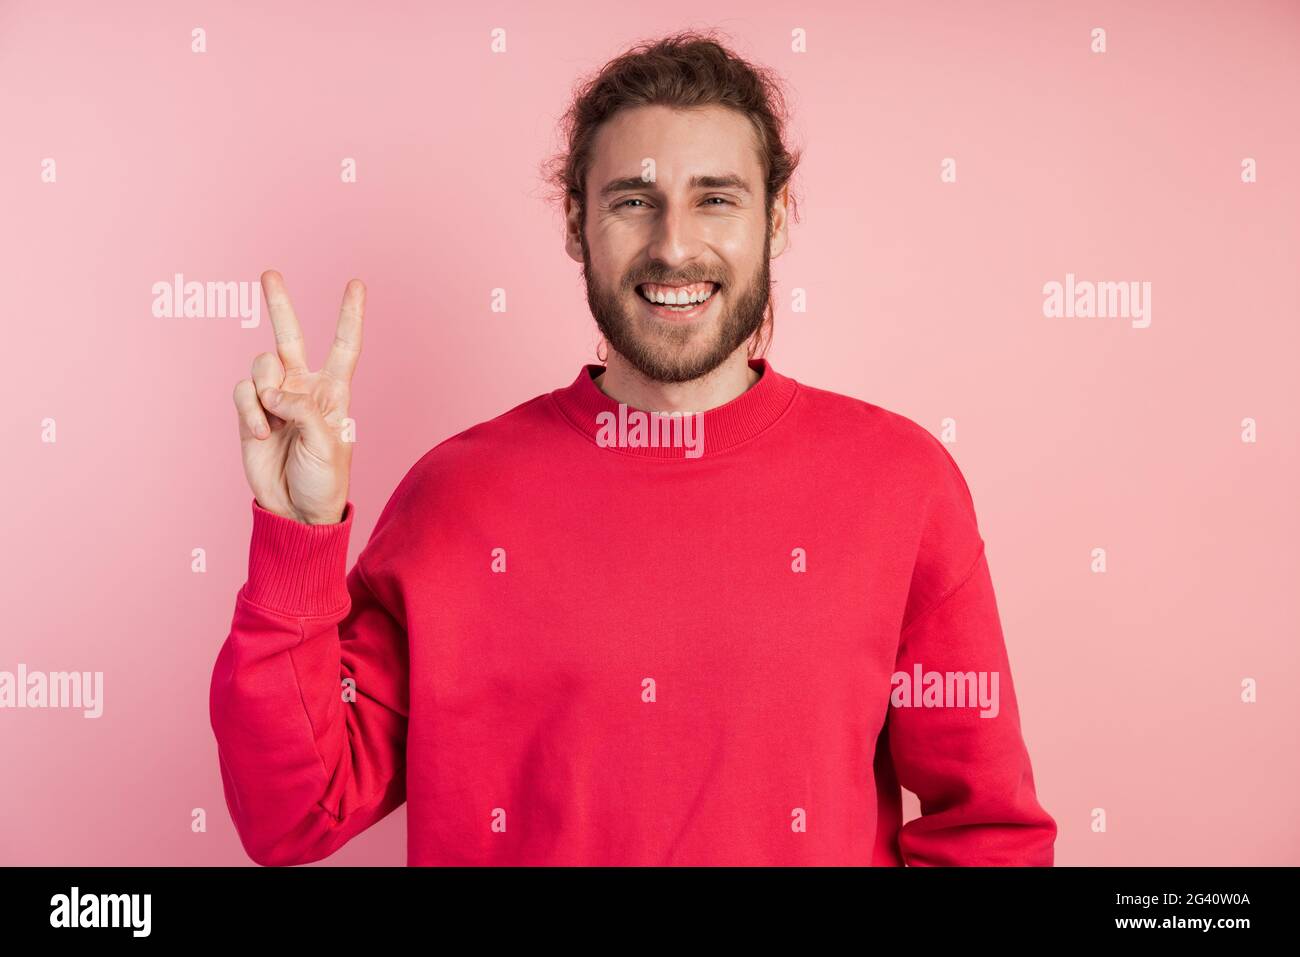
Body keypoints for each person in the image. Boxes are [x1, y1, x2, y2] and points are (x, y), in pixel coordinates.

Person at [211, 30, 1056, 866]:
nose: (675, 244)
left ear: (780, 217)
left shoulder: (903, 487)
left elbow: (989, 835)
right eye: (632, 200)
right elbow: (295, 812)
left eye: (716, 198)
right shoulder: (454, 495)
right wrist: (297, 537)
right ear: (577, 223)